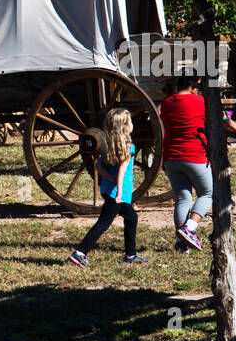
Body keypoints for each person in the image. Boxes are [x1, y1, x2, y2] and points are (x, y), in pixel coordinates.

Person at [68, 107, 147, 267]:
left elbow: (98, 165)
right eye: (130, 122)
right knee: (103, 223)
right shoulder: (128, 147)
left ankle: (130, 254)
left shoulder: (111, 145)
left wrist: (108, 177)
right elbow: (122, 172)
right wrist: (118, 191)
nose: (132, 124)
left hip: (109, 190)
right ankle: (80, 253)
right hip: (118, 193)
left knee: (132, 218)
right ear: (124, 126)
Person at [160, 73, 216, 252]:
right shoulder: (200, 102)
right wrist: (232, 122)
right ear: (193, 87)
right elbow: (220, 117)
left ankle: (181, 244)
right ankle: (190, 228)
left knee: (182, 198)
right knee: (208, 193)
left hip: (171, 157)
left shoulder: (167, 103)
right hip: (194, 155)